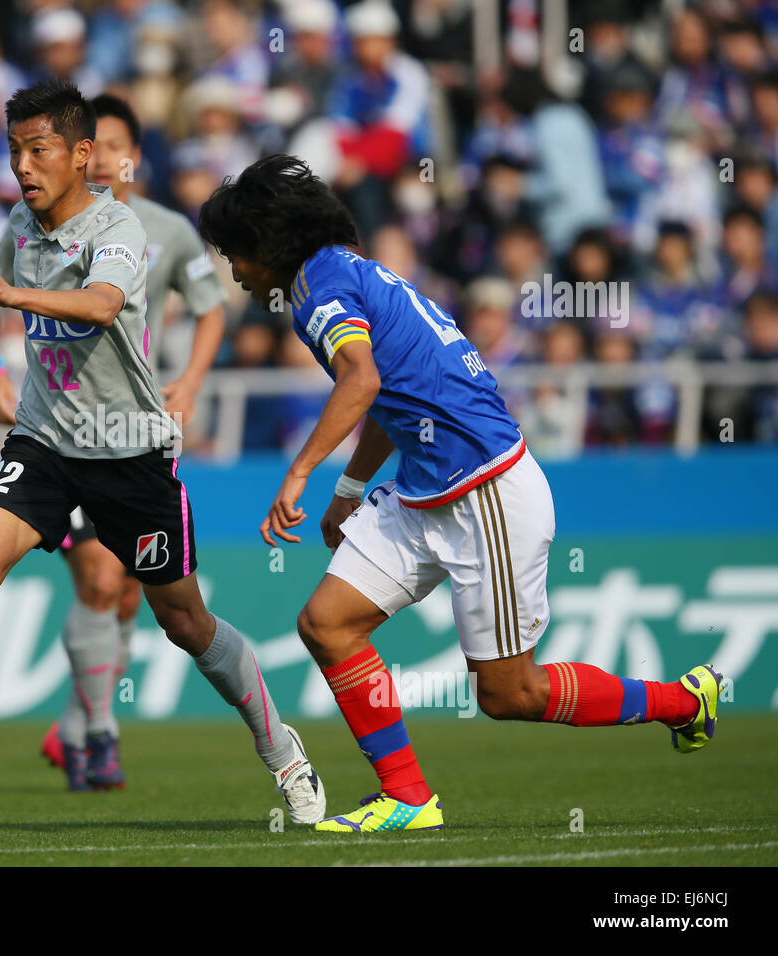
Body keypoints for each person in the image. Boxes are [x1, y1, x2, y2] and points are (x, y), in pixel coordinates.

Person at [198, 156, 720, 833]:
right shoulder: (340, 273)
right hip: (427, 485)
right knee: (327, 624)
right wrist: (351, 487)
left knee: (510, 694)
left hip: (486, 492)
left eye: (235, 252)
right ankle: (408, 798)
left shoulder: (320, 289)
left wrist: (300, 474)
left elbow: (361, 382)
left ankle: (682, 702)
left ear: (265, 242)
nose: (235, 270)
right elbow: (387, 390)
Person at [0, 81, 326, 823]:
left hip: (130, 451)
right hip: (45, 439)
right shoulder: (17, 225)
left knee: (185, 622)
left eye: (38, 149)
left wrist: (12, 297)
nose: (22, 165)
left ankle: (282, 750)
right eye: (15, 150)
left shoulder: (120, 227)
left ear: (81, 155)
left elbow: (101, 305)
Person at [0, 93, 227, 791]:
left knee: (129, 596)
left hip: (134, 432)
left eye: (118, 147)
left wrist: (190, 382)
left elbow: (211, 310)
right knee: (99, 580)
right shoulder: (34, 223)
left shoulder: (164, 230)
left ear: (131, 157)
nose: (105, 161)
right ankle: (99, 734)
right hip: (62, 433)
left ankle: (74, 725)